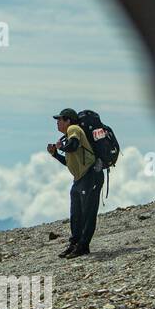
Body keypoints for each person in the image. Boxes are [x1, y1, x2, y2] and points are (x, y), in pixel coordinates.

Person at [47, 108, 103, 258]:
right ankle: (75, 244)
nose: (57, 122)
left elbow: (73, 145)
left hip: (91, 175)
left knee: (87, 213)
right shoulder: (69, 135)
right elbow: (69, 161)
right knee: (76, 214)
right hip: (80, 179)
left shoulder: (74, 129)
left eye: (60, 119)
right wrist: (55, 154)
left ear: (68, 120)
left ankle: (83, 246)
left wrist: (61, 147)